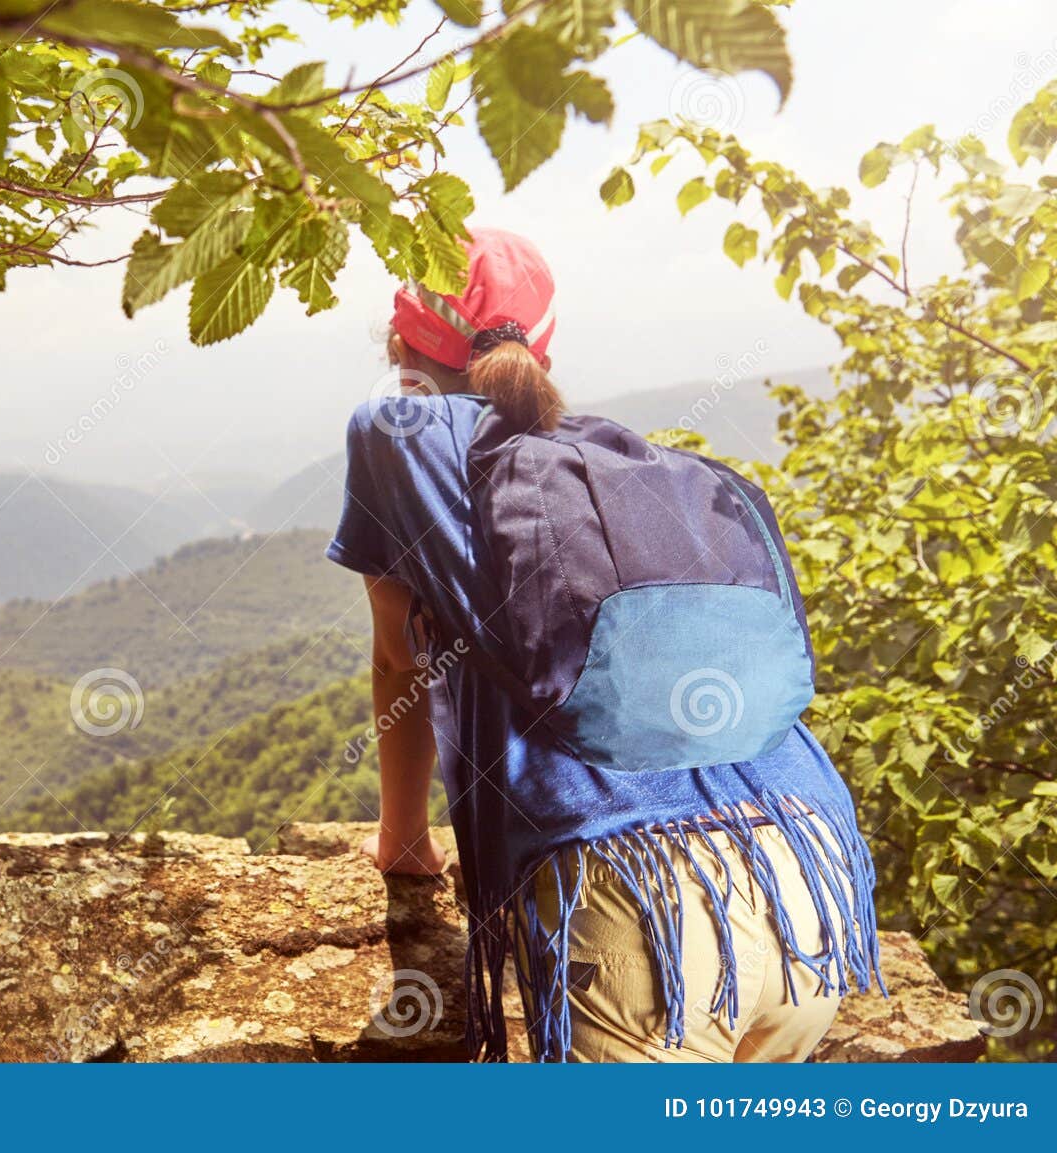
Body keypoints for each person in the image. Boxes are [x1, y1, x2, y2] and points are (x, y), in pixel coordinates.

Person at [327, 227, 883, 1063]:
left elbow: (397, 661)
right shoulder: (622, 460)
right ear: (543, 348)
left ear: (404, 348)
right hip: (808, 874)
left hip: (641, 914)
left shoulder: (402, 440)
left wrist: (405, 840)